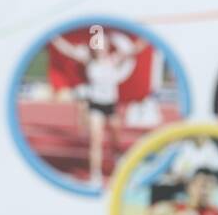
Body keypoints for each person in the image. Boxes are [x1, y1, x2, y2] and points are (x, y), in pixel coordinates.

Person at [51, 31, 149, 186]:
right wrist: (53, 37)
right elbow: (68, 50)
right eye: (97, 45)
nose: (100, 48)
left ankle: (120, 165)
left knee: (116, 141)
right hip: (95, 105)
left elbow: (135, 49)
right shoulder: (89, 60)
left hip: (110, 106)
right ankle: (95, 175)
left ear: (107, 46)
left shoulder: (114, 59)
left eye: (103, 45)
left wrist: (147, 35)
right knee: (96, 140)